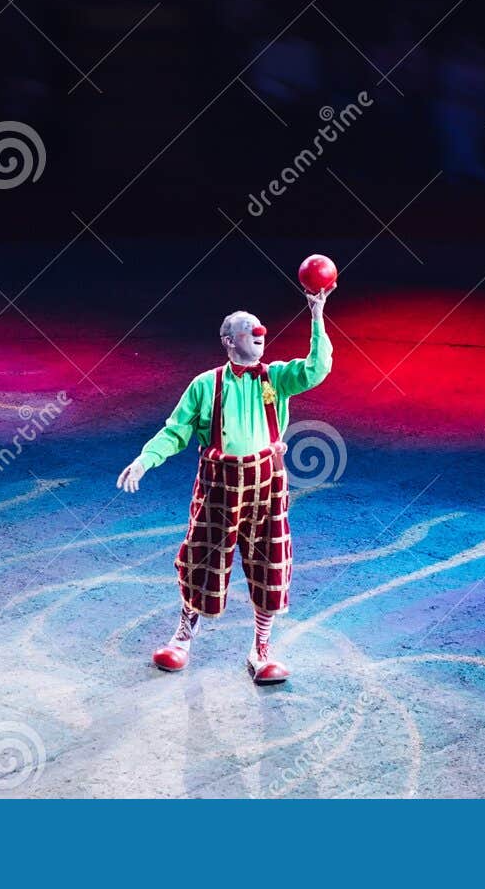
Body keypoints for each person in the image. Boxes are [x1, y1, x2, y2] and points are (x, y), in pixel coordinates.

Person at [117, 287, 334, 683]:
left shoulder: (276, 378)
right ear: (228, 340)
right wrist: (145, 460)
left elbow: (317, 368)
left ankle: (262, 648)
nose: (259, 332)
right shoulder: (205, 385)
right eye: (248, 329)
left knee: (270, 558)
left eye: (259, 329)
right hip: (220, 483)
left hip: (267, 480)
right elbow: (175, 431)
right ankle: (183, 635)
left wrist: (316, 316)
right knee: (203, 558)